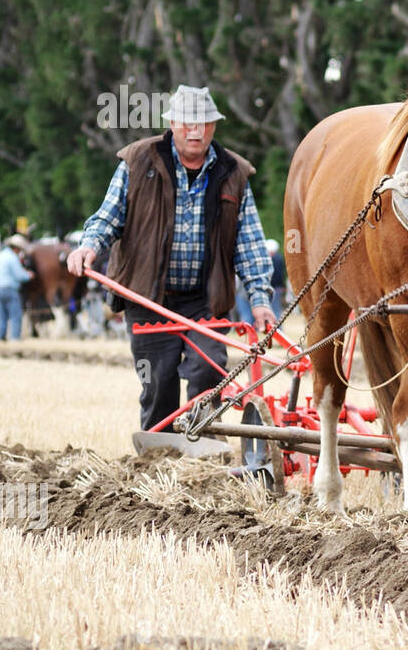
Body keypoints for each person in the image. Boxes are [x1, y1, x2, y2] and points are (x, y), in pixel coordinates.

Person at [67, 84, 274, 429]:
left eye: (204, 123)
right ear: (173, 123)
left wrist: (260, 299)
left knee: (209, 369)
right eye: (188, 122)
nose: (196, 130)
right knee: (157, 381)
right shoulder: (139, 160)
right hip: (147, 297)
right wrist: (90, 245)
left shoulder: (234, 173)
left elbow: (249, 244)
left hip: (205, 300)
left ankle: (203, 448)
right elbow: (109, 216)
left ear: (214, 127)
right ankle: (157, 455)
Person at [0, 234, 33, 341]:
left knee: (1, 314)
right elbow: (19, 275)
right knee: (15, 314)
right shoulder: (13, 258)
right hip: (10, 288)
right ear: (16, 248)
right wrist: (29, 275)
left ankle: (0, 337)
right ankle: (14, 337)